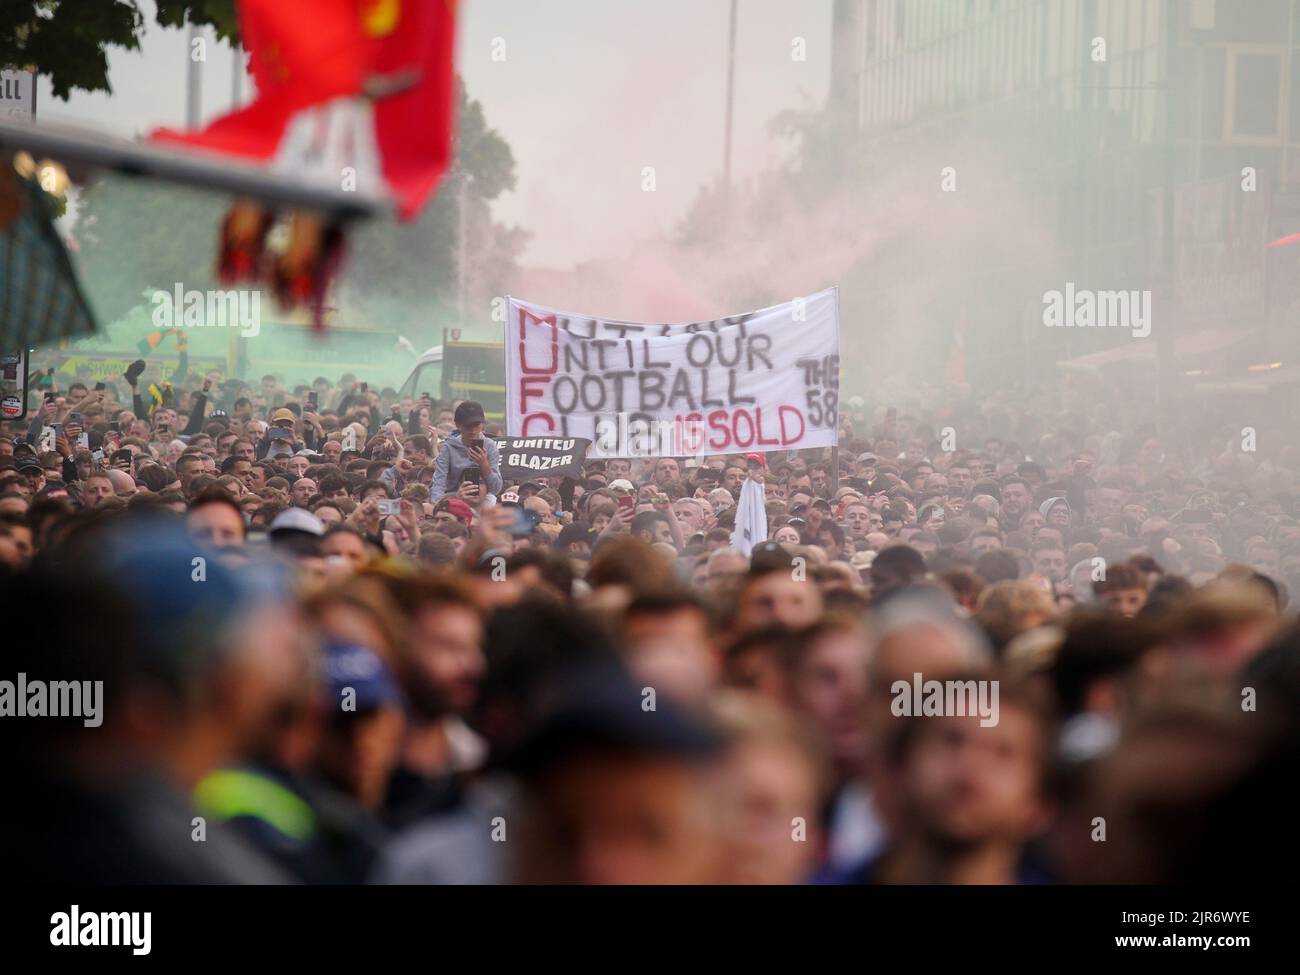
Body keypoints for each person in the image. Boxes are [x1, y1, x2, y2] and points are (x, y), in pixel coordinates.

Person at [431, 401, 501, 500]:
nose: (473, 430)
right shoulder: (449, 447)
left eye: (476, 425)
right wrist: (439, 504)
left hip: (482, 498)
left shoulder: (490, 446)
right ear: (458, 425)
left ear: (482, 425)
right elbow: (439, 483)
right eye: (468, 426)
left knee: (491, 499)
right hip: (454, 495)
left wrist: (484, 464)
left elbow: (495, 489)